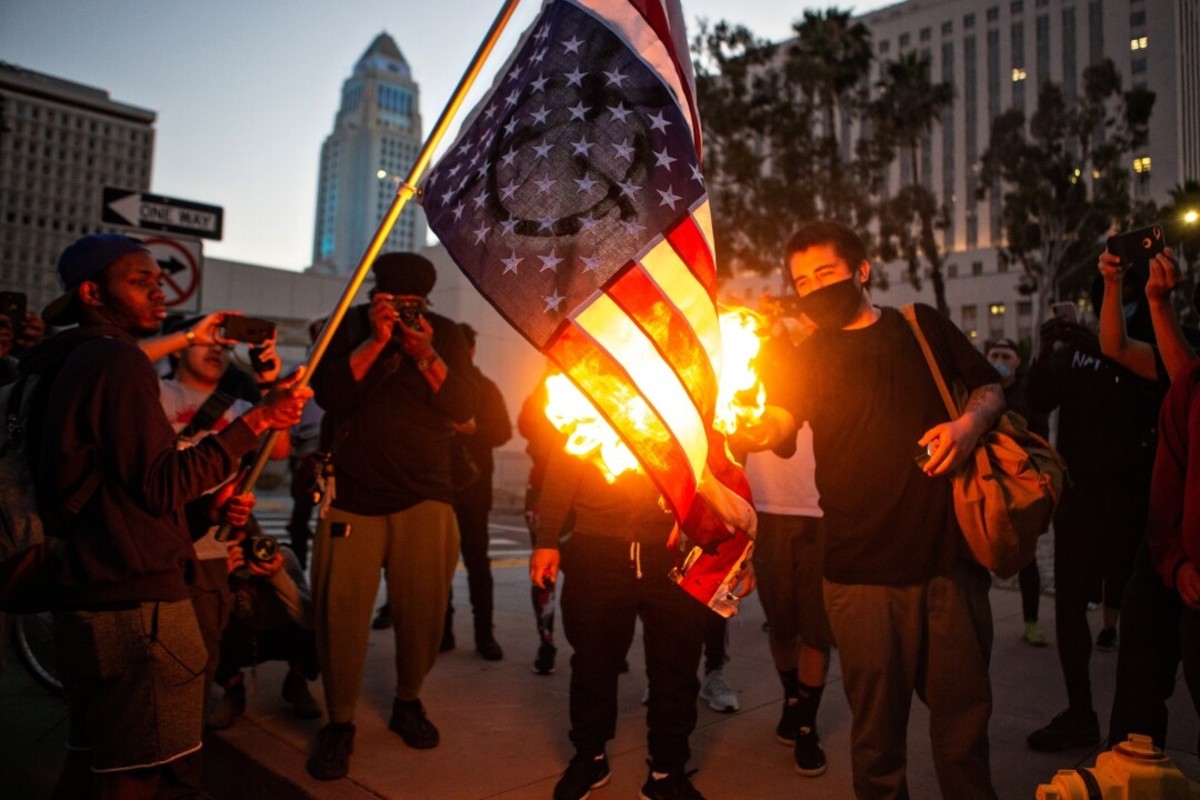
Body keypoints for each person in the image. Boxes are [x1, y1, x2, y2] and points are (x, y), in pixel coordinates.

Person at [27, 233, 310, 799]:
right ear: (92, 291)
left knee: (92, 755)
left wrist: (207, 506)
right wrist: (256, 422)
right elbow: (160, 485)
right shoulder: (117, 363)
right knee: (139, 770)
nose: (159, 294)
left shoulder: (57, 362)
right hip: (138, 603)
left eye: (159, 282)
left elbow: (117, 487)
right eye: (140, 282)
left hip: (83, 586)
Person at [763, 220, 1004, 799]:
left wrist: (968, 426)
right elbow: (781, 421)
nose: (814, 289)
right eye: (801, 281)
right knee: (876, 748)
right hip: (860, 577)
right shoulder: (806, 357)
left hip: (949, 567)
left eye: (826, 273)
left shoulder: (919, 327)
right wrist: (751, 424)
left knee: (964, 738)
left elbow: (989, 388)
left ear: (862, 270)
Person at [306, 251, 476, 780]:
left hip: (426, 490)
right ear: (377, 295)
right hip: (353, 493)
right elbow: (328, 394)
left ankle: (408, 699)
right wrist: (375, 341)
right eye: (395, 302)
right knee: (339, 613)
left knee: (423, 611)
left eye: (414, 303)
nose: (405, 311)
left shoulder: (442, 332)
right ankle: (338, 721)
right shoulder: (348, 325)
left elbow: (464, 408)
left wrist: (424, 353)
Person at [530, 445, 732, 800]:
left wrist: (735, 552)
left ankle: (667, 771)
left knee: (677, 667)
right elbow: (563, 464)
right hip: (598, 546)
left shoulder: (690, 391)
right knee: (593, 662)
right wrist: (547, 538)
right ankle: (589, 757)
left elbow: (719, 470)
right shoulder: (596, 391)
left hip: (676, 546)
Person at [1025, 265, 1168, 752]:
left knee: (1136, 609)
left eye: (1126, 292)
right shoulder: (1078, 352)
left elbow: (1154, 392)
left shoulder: (1155, 342)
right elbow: (1039, 398)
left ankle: (1135, 725)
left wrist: (1093, 343)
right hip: (1080, 496)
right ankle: (1079, 709)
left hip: (1133, 496)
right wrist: (1047, 350)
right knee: (1069, 605)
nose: (1119, 300)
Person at [1095, 243, 1200, 750]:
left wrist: (1160, 307)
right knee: (1138, 693)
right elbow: (1116, 348)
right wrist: (1115, 285)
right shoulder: (1186, 347)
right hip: (1163, 544)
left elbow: (1190, 378)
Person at [740, 313, 833, 778]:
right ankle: (791, 698)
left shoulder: (831, 362)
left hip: (822, 513)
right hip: (769, 510)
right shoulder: (751, 367)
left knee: (816, 628)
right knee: (781, 623)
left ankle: (807, 726)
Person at [445, 321, 513, 660]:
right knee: (439, 563)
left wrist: (473, 429)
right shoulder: (437, 382)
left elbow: (503, 431)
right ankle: (442, 631)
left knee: (476, 562)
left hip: (473, 487)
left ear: (470, 350)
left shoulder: (485, 387)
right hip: (437, 486)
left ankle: (484, 633)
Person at [206, 532, 321, 729]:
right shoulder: (217, 559)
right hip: (240, 635)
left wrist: (276, 575)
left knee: (323, 628)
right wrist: (219, 576)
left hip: (283, 633)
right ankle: (233, 691)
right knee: (207, 634)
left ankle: (297, 681)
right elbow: (205, 620)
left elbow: (309, 619)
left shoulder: (283, 555)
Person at [984, 336, 1050, 647]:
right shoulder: (979, 390)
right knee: (979, 557)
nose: (1000, 360)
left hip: (1020, 485)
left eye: (1005, 355)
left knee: (1026, 558)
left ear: (1017, 361)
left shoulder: (1029, 393)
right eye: (994, 354)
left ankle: (1031, 623)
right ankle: (976, 624)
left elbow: (1039, 435)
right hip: (985, 485)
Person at [517, 367, 569, 675]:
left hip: (582, 495)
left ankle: (596, 640)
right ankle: (547, 640)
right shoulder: (546, 392)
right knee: (545, 573)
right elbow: (526, 427)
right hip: (543, 491)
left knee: (589, 573)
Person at [286, 317, 328, 568]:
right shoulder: (303, 372)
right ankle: (299, 565)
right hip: (307, 453)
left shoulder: (348, 366)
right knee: (301, 514)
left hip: (337, 454)